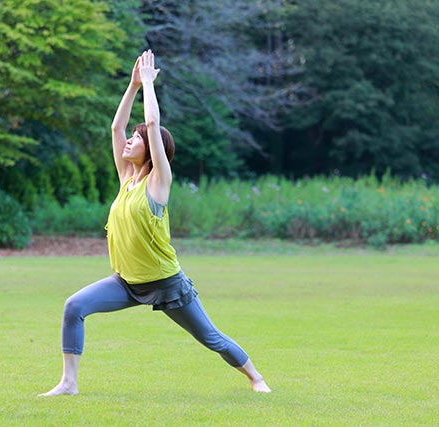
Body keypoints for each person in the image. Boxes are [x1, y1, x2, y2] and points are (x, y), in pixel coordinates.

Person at [39, 50, 270, 396]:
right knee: (74, 306)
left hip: (165, 282)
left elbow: (151, 125)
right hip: (127, 282)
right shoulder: (125, 179)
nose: (129, 141)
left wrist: (149, 83)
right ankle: (69, 383)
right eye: (131, 139)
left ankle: (257, 378)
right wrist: (132, 86)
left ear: (151, 150)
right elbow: (116, 127)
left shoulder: (158, 183)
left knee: (210, 337)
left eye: (137, 139)